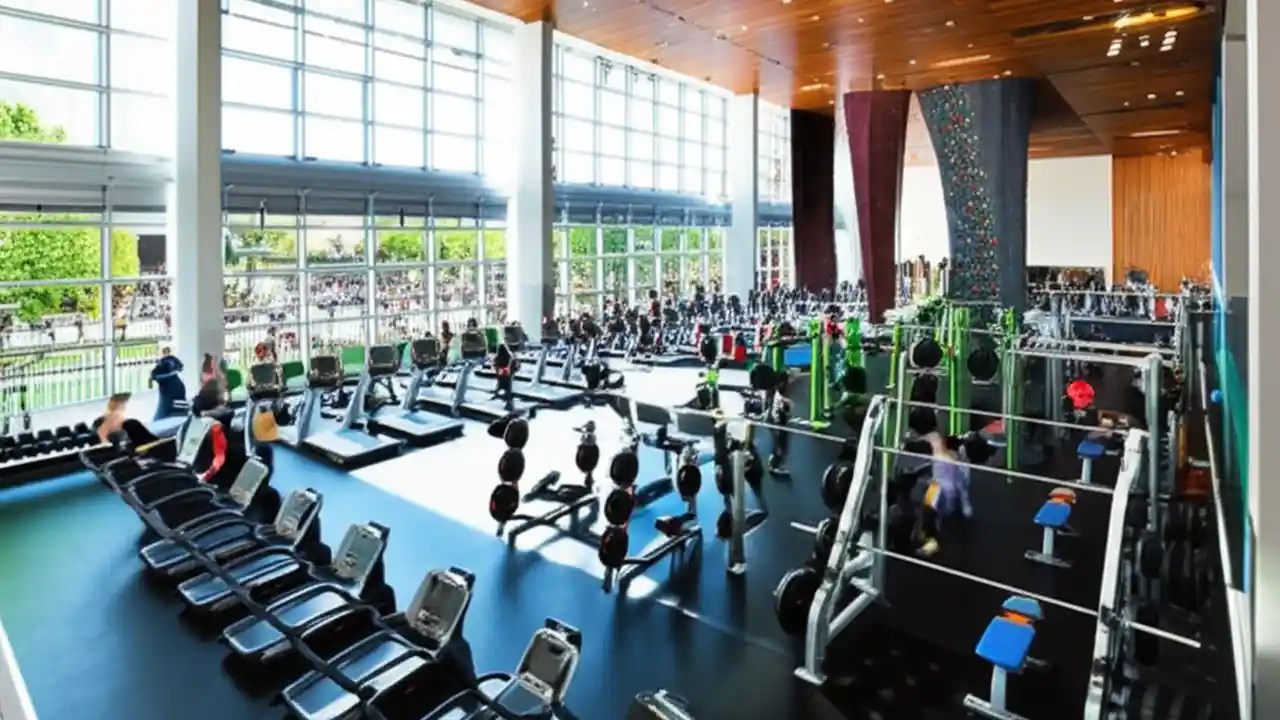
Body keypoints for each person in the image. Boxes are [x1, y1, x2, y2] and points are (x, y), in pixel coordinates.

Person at [914, 432, 973, 557]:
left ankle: (932, 541)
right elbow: (931, 438)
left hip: (945, 494)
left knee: (932, 513)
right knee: (931, 513)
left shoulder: (951, 459)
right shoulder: (943, 455)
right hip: (939, 489)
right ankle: (928, 536)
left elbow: (961, 484)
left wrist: (965, 505)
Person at [148, 347, 186, 420]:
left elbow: (154, 375)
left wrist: (153, 378)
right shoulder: (178, 383)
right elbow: (181, 367)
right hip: (178, 417)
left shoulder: (163, 362)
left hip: (166, 418)